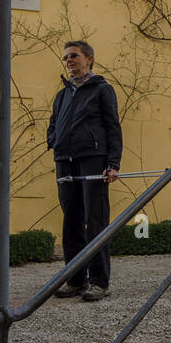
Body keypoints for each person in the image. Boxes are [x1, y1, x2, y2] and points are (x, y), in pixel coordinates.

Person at [46, 40, 123, 302]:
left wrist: (112, 163)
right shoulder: (62, 94)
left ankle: (99, 282)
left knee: (96, 221)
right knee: (72, 223)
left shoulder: (102, 89)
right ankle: (76, 279)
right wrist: (53, 140)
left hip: (93, 160)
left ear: (89, 58)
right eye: (66, 57)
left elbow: (113, 127)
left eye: (74, 56)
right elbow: (54, 123)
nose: (68, 60)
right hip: (65, 161)